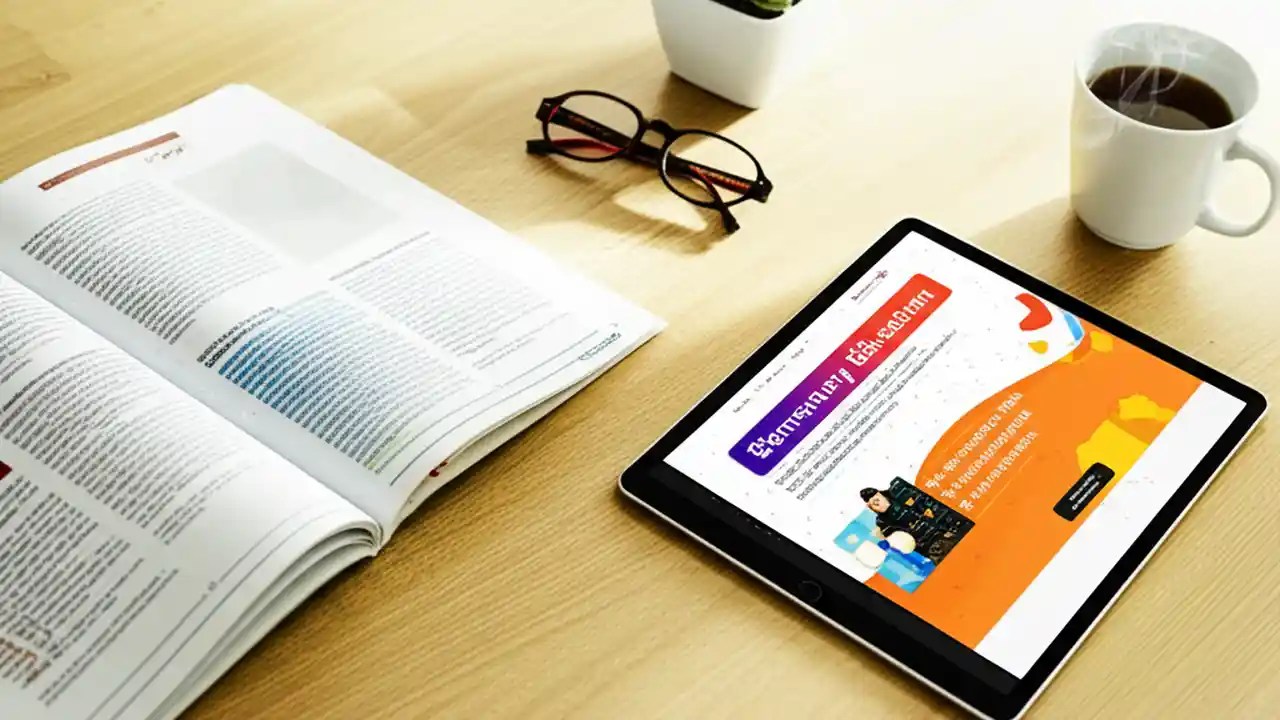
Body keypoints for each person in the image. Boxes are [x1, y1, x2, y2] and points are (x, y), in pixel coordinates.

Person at [860, 478, 974, 565]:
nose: (877, 505)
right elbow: (903, 543)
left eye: (877, 500)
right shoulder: (883, 522)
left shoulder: (903, 493)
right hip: (930, 548)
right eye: (873, 505)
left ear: (880, 495)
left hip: (949, 531)